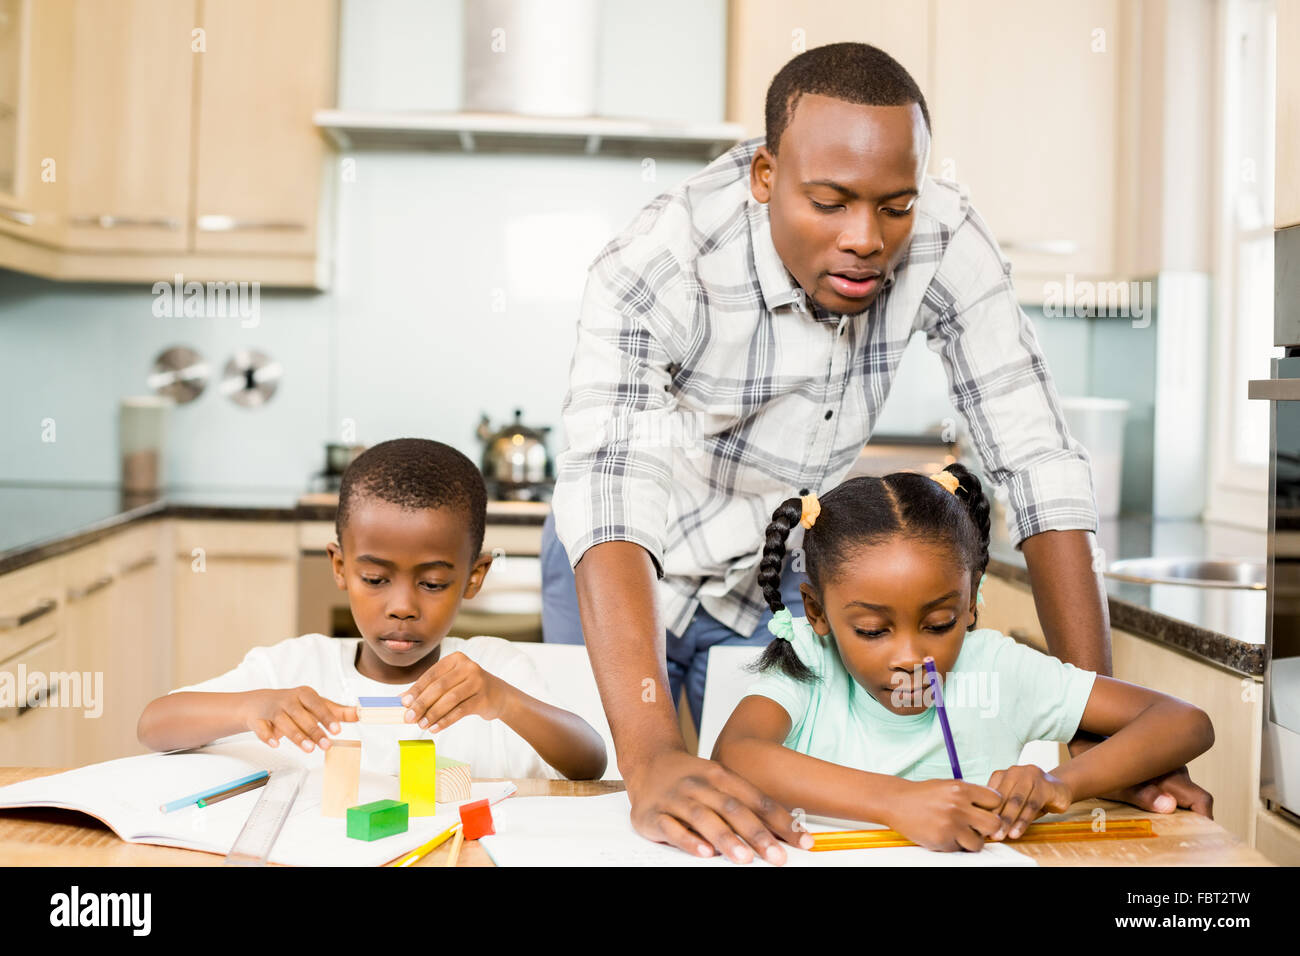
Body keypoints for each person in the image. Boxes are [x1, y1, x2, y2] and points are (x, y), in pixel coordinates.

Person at [543, 41, 1211, 864]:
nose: (867, 238)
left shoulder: (943, 234)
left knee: (750, 830)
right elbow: (612, 489)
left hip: (771, 580)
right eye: (829, 202)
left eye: (894, 205)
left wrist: (1096, 749)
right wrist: (647, 757)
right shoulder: (661, 259)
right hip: (626, 569)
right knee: (622, 807)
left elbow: (1037, 460)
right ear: (765, 176)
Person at [712, 465, 1214, 851]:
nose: (910, 656)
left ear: (971, 600)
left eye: (938, 625)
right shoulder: (809, 661)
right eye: (871, 630)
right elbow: (735, 754)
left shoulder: (997, 668)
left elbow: (1185, 722)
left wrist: (1062, 784)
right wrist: (896, 801)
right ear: (818, 612)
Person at [138, 438, 607, 781]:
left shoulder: (493, 671)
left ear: (474, 577)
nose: (402, 607)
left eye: (433, 583)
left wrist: (504, 700)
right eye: (376, 580)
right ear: (340, 567)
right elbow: (153, 725)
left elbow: (590, 763)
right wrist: (249, 706)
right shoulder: (293, 667)